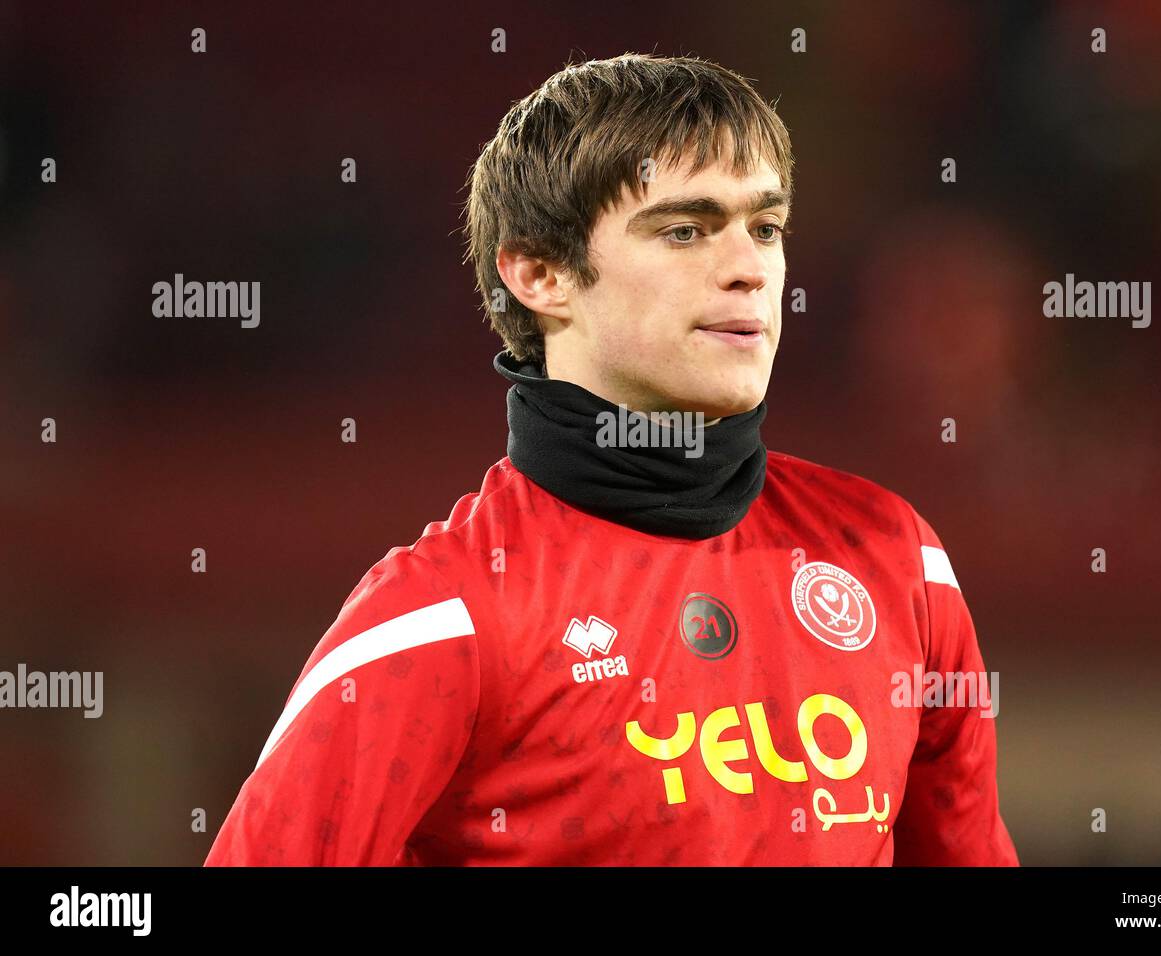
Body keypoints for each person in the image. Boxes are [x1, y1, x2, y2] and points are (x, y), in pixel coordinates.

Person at [205, 52, 1018, 866]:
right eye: (685, 230)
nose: (748, 269)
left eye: (765, 228)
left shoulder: (894, 559)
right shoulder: (444, 616)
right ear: (540, 274)